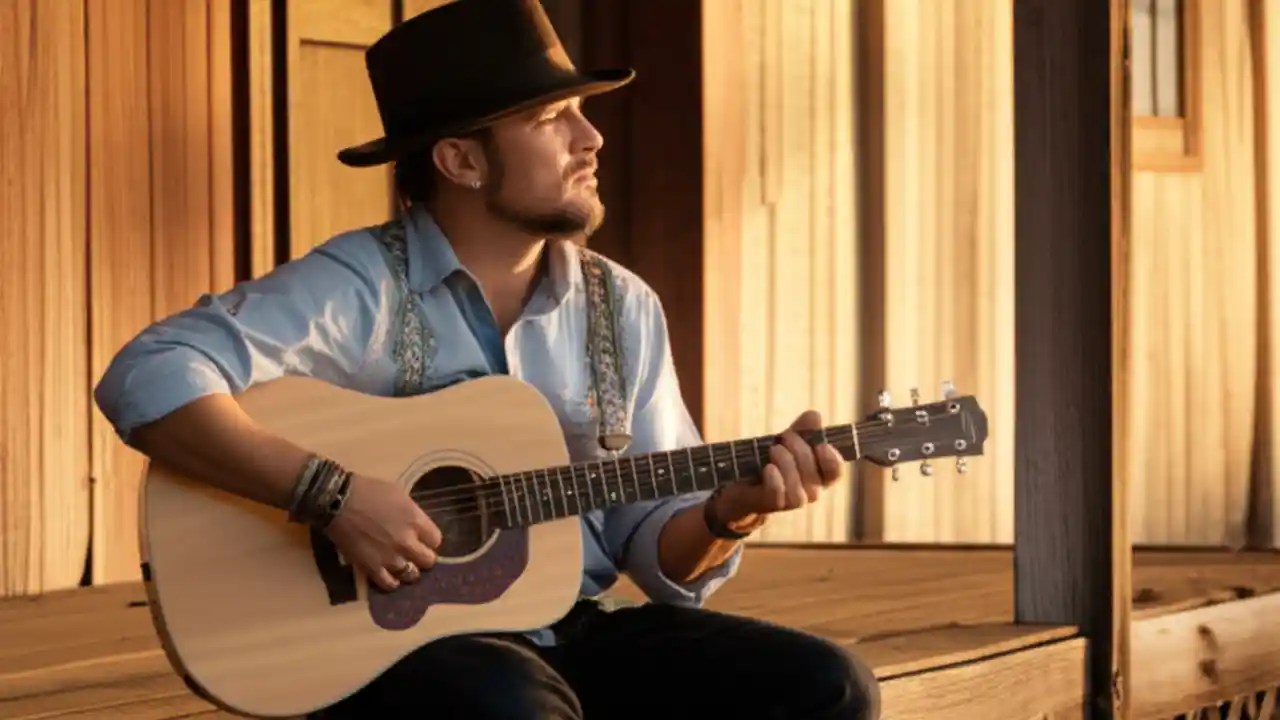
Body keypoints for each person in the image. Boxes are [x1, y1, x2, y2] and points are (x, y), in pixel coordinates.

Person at [94, 1, 880, 718]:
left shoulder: (621, 307)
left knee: (830, 685)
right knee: (511, 706)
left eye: (582, 112)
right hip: (394, 650)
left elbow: (655, 552)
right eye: (552, 118)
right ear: (461, 162)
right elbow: (150, 371)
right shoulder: (361, 287)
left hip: (569, 631)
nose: (591, 138)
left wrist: (729, 511)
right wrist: (332, 496)